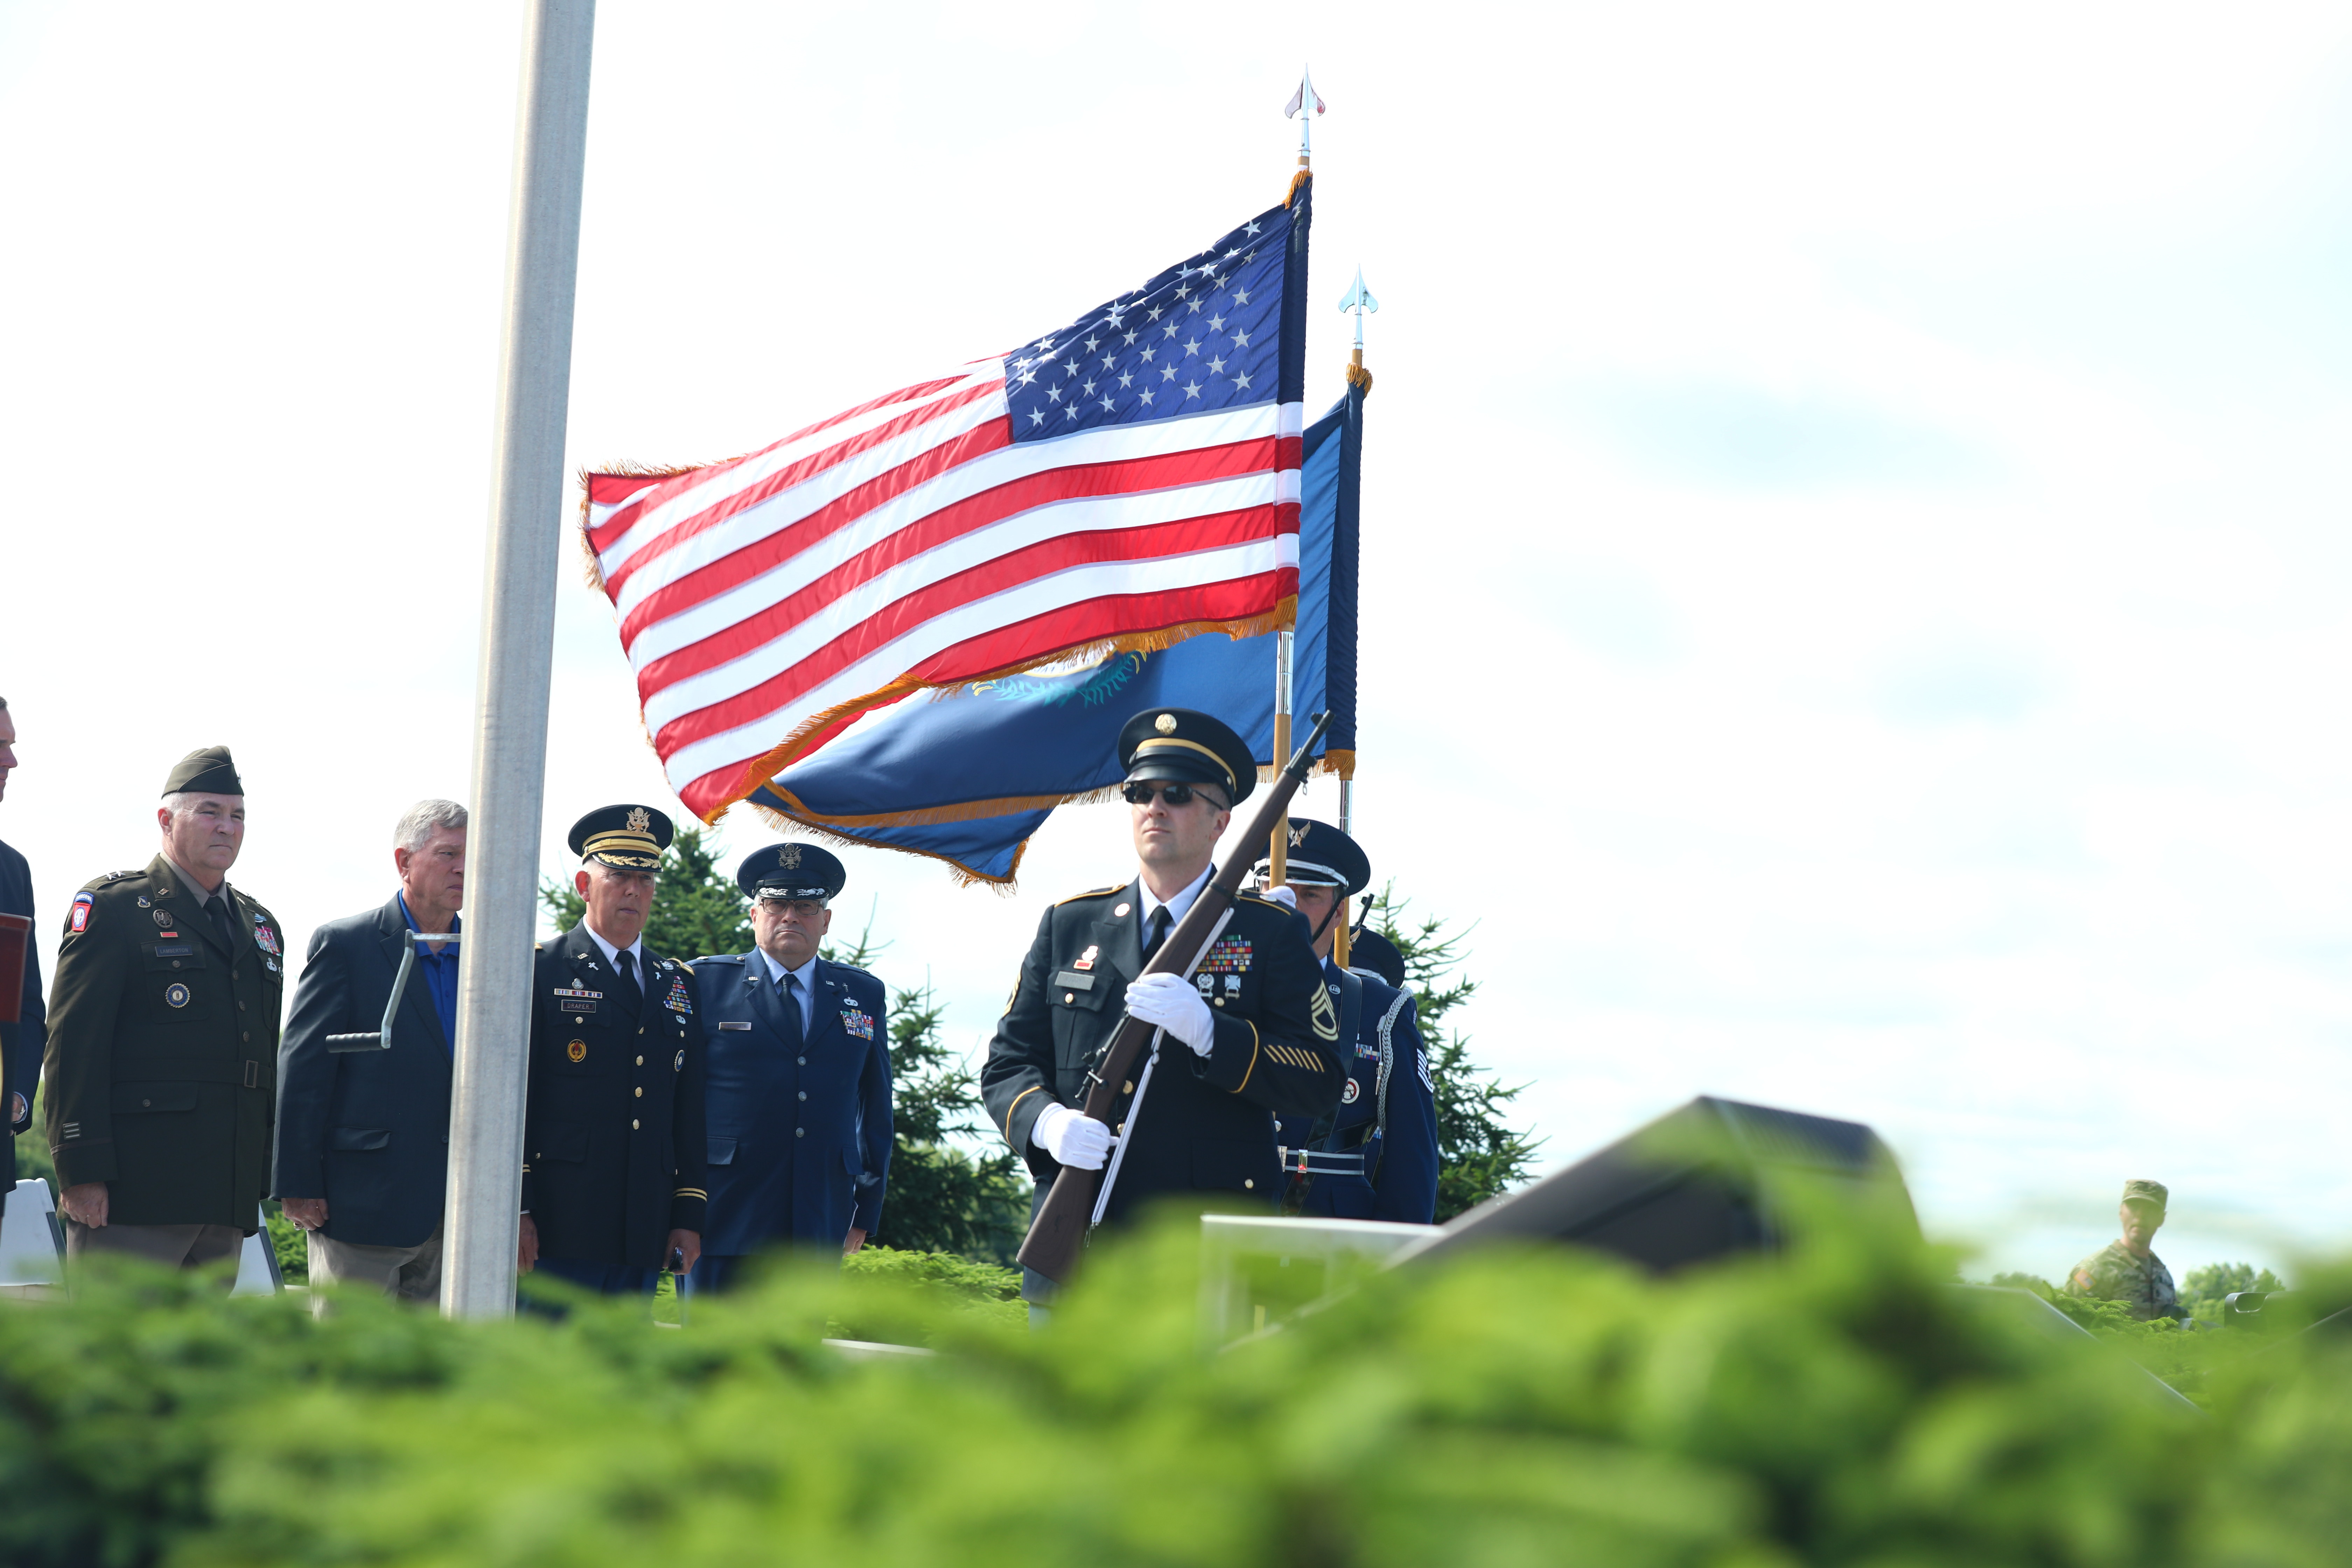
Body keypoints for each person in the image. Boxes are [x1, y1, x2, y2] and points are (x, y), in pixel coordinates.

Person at [981, 707, 1345, 1309]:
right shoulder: (1071, 924)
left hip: (1201, 1256)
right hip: (1079, 1250)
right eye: (1140, 793)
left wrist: (1213, 1034)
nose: (1155, 807)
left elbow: (1320, 1077)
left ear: (1221, 821)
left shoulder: (1269, 933)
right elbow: (1008, 1065)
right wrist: (1047, 1125)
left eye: (1177, 795)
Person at [44, 746, 286, 1274]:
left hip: (226, 1192)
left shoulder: (260, 925)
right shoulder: (115, 908)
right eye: (210, 812)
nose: (227, 827)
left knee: (204, 1332)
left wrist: (262, 1173)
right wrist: (80, 1169)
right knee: (118, 1329)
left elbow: (262, 1059)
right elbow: (72, 1045)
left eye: (238, 815)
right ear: (166, 820)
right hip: (135, 1192)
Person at [272, 800, 467, 1304]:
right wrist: (297, 1181)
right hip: (361, 1203)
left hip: (459, 1209)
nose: (463, 868)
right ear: (404, 862)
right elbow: (305, 1068)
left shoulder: (489, 954)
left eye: (473, 856)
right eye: (448, 854)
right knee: (352, 1350)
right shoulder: (347, 944)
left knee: (435, 1356)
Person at [517, 805, 707, 1300]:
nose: (634, 891)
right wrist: (518, 1207)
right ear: (584, 885)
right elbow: (516, 1099)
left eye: (646, 879)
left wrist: (687, 1215)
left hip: (643, 1225)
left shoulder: (677, 983)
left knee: (623, 1349)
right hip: (559, 1222)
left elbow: (689, 1110)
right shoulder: (541, 970)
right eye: (619, 876)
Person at [686, 843, 891, 1293]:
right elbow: (675, 1100)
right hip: (721, 1215)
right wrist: (677, 1206)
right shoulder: (705, 982)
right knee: (711, 1340)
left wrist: (866, 1208)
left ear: (826, 920)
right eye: (776, 905)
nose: (790, 917)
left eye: (805, 906)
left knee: (801, 1341)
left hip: (819, 1218)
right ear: (754, 915)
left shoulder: (862, 993)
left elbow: (875, 1108)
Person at [1256, 820, 1439, 1225]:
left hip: (1328, 1232)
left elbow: (1411, 1156)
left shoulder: (1381, 1009)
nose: (1291, 906)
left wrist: (1396, 1252)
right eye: (1276, 889)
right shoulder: (1216, 989)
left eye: (1310, 895)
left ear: (1339, 911)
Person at [0, 698, 44, 1208]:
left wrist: (16, 1095)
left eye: (11, 745)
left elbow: (29, 1006)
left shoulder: (13, 869)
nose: (12, 761)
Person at [2064, 1179, 2185, 1322]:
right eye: (2134, 1207)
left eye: (2150, 1209)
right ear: (2121, 1212)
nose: (2140, 1215)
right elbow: (2067, 1327)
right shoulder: (2094, 1270)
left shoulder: (2164, 1277)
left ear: (2162, 1219)